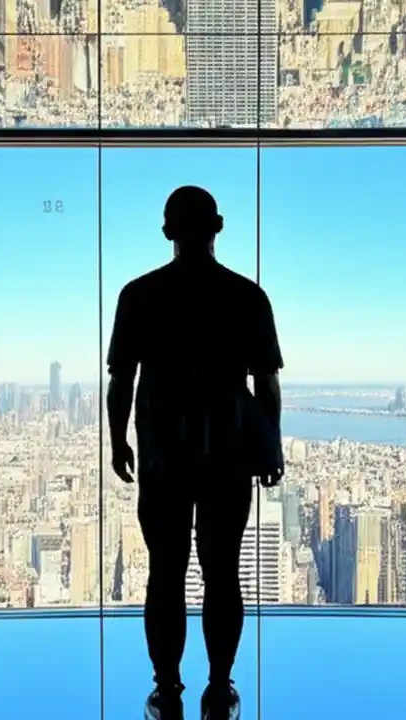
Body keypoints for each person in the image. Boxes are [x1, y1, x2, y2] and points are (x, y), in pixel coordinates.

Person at [107, 186, 284, 720]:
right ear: (219, 227)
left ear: (167, 230)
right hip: (228, 452)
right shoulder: (247, 296)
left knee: (166, 571)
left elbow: (121, 382)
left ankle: (166, 688)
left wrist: (119, 441)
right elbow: (267, 384)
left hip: (161, 452)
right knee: (222, 570)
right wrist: (270, 444)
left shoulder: (138, 295)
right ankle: (221, 685)